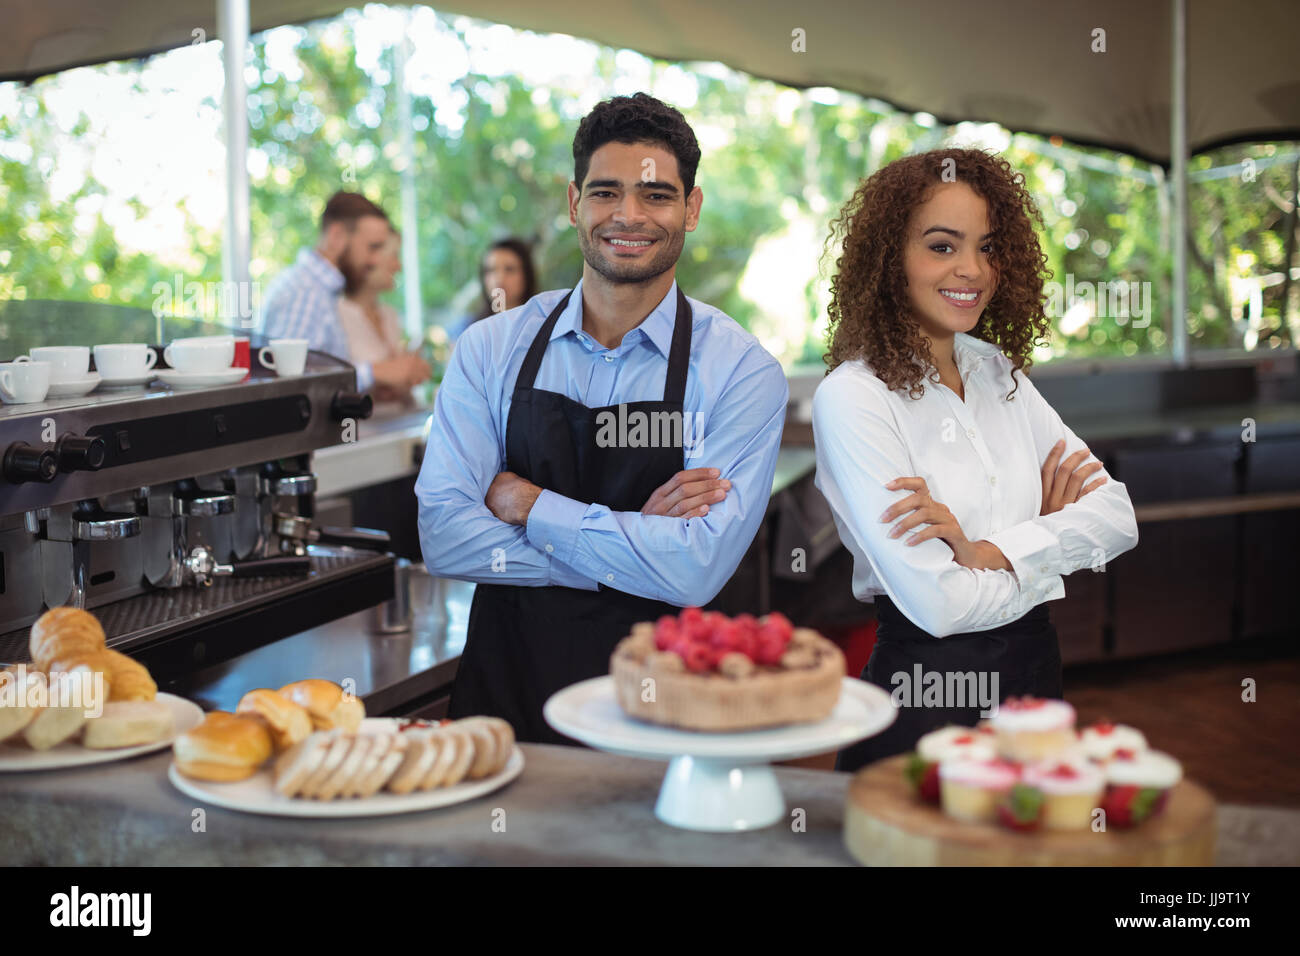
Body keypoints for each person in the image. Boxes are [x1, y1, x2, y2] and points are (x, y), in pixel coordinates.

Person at [415, 93, 788, 743]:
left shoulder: (741, 371)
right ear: (573, 204)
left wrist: (531, 506)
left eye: (656, 196)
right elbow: (445, 537)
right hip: (507, 705)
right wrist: (636, 539)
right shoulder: (491, 349)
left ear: (691, 209)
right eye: (606, 192)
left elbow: (694, 571)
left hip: (663, 714)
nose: (628, 216)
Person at [812, 147, 1140, 773]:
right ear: (889, 260)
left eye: (988, 247)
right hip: (925, 701)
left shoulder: (997, 372)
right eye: (941, 246)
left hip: (1035, 692)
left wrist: (987, 551)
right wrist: (1049, 551)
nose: (972, 269)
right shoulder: (854, 398)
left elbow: (1118, 517)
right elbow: (941, 607)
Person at [259, 191, 428, 395]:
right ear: (337, 236)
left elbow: (314, 374)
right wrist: (374, 372)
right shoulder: (305, 292)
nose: (376, 261)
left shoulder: (321, 291)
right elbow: (289, 388)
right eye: (373, 247)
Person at [338, 226, 430, 406]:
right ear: (367, 257)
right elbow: (324, 384)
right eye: (394, 255)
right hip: (357, 431)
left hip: (397, 424)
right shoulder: (335, 314)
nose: (399, 266)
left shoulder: (390, 315)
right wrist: (378, 374)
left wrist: (404, 380)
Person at [449, 238, 540, 340]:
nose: (499, 279)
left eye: (509, 269)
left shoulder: (543, 327)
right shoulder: (465, 330)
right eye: (490, 270)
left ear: (527, 275)